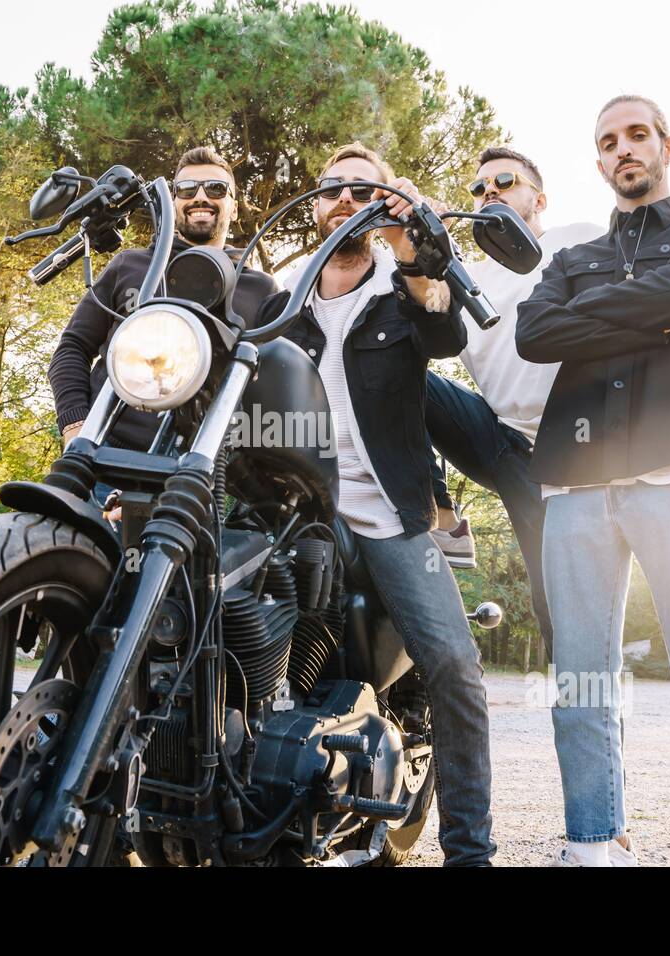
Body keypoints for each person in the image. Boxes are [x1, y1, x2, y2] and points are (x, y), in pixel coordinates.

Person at [515, 95, 670, 867]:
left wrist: (607, 312)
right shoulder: (568, 260)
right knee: (580, 690)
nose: (624, 149)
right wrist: (655, 314)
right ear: (598, 161)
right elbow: (533, 333)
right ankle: (592, 847)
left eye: (637, 135)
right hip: (575, 485)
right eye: (608, 141)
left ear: (666, 145)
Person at [255, 142, 495, 866]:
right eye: (332, 189)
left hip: (387, 513)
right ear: (315, 202)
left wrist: (417, 247)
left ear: (384, 205)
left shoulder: (400, 288)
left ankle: (470, 851)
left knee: (455, 666)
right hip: (291, 511)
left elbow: (445, 326)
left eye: (365, 191)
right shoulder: (279, 302)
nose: (344, 201)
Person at [424, 146, 601, 671]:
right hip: (500, 439)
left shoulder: (580, 238)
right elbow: (414, 318)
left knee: (561, 606)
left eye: (504, 180)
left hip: (574, 450)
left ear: (539, 198)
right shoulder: (463, 276)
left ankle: (588, 731)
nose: (488, 192)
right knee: (399, 370)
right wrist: (411, 234)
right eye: (478, 188)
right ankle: (440, 513)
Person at [48, 146, 278, 468]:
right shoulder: (130, 264)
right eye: (186, 189)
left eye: (216, 188)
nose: (200, 197)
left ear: (235, 208)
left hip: (204, 473)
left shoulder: (261, 289)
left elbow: (272, 386)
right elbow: (72, 346)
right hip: (104, 458)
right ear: (173, 201)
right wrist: (75, 426)